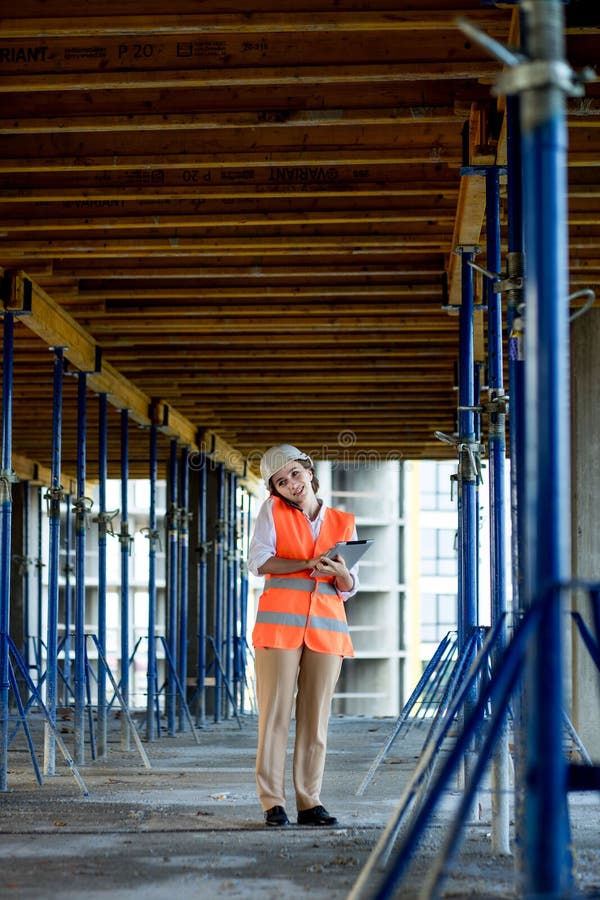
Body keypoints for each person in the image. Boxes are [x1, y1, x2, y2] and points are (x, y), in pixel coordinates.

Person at [247, 443, 360, 828]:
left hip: (326, 632)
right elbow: (258, 561)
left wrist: (343, 575)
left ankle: (309, 801)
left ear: (309, 472)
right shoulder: (272, 513)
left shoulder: (343, 522)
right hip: (279, 629)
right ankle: (272, 802)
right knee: (274, 716)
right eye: (281, 482)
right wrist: (306, 563)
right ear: (275, 491)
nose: (291, 484)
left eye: (295, 474)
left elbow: (347, 586)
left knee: (316, 721)